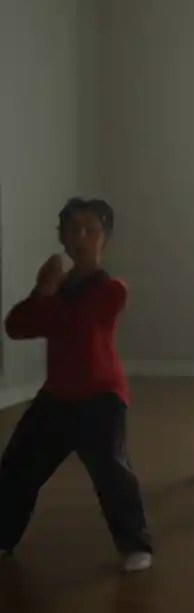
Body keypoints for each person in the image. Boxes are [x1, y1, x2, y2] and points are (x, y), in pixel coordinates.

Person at [0, 198, 153, 572]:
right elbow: (16, 327)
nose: (80, 236)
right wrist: (42, 291)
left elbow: (77, 324)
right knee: (17, 466)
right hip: (57, 397)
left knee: (112, 473)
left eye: (91, 229)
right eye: (72, 229)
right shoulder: (55, 292)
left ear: (105, 239)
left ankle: (136, 545)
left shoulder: (113, 289)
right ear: (62, 237)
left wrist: (47, 295)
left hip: (101, 397)